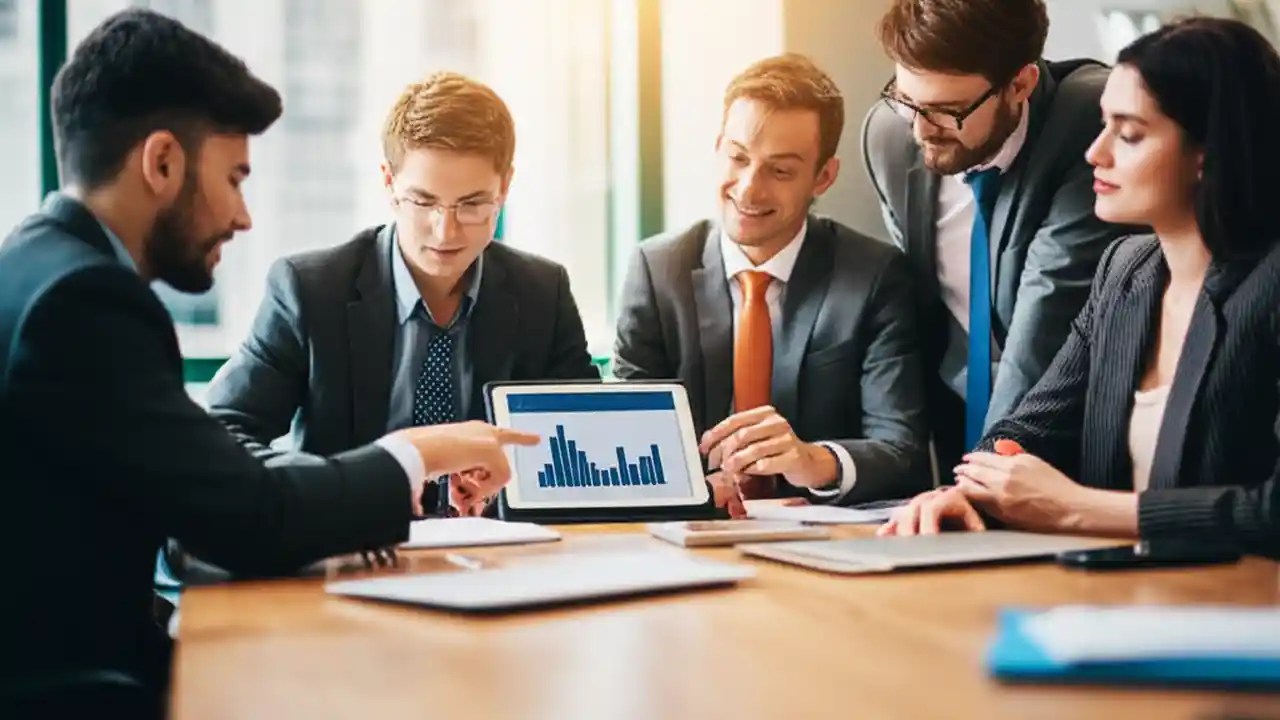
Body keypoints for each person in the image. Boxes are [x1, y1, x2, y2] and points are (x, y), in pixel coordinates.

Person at [0, 10, 535, 711]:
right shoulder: (85, 301)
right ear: (162, 163)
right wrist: (416, 453)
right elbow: (250, 514)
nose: (244, 216)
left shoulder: (35, 267)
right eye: (234, 177)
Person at [880, 16, 1280, 557]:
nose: (1096, 153)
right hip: (1120, 609)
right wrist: (967, 493)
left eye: (1130, 134)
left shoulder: (1268, 286)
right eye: (1103, 125)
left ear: (1210, 151)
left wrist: (1077, 507)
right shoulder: (1126, 272)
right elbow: (1032, 428)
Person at [205, 71, 598, 517]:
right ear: (389, 184)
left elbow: (583, 447)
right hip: (352, 549)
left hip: (495, 557)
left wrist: (509, 483)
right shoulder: (311, 291)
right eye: (423, 201)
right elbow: (219, 440)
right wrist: (371, 478)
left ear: (504, 187)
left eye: (471, 204)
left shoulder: (543, 293)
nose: (445, 231)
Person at [613, 54, 928, 515]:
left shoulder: (875, 277)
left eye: (780, 171)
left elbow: (903, 450)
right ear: (719, 146)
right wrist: (696, 485)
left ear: (823, 176)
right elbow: (628, 436)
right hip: (693, 534)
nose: (748, 189)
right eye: (738, 158)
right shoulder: (657, 270)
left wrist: (813, 461)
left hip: (825, 540)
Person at [862, 0, 1129, 475]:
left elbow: (1047, 313)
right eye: (906, 100)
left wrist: (980, 483)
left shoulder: (1085, 119)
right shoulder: (887, 134)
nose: (921, 130)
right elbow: (927, 312)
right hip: (955, 441)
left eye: (947, 110)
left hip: (1071, 447)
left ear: (1021, 84)